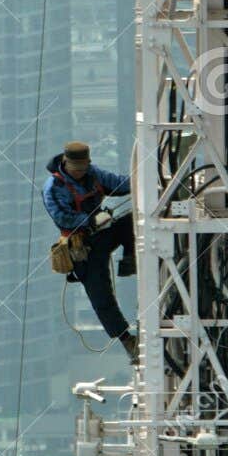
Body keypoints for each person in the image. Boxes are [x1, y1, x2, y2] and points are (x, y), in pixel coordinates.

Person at [43, 141, 138, 364]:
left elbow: (118, 184)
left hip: (103, 234)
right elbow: (61, 216)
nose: (80, 173)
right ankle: (127, 341)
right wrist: (90, 221)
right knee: (100, 294)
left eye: (83, 169)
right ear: (65, 164)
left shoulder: (93, 174)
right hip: (82, 246)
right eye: (76, 170)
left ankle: (129, 260)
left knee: (134, 222)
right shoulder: (54, 188)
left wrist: (140, 182)